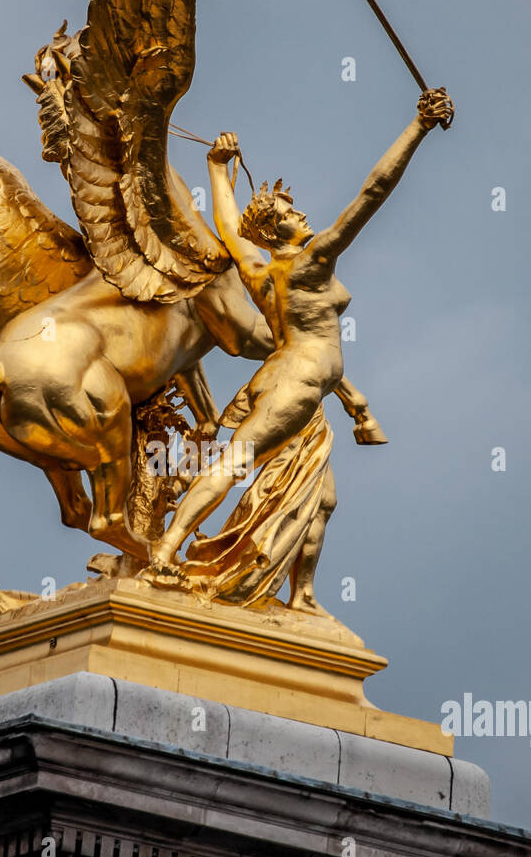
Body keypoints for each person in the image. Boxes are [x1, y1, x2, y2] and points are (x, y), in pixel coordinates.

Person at [149, 88, 455, 610]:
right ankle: (165, 550)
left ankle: (304, 597)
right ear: (275, 229)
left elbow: (226, 224)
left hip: (298, 385)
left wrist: (216, 169)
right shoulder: (310, 263)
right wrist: (419, 127)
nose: (302, 214)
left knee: (323, 498)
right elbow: (372, 193)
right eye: (291, 213)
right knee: (235, 462)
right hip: (297, 383)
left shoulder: (258, 269)